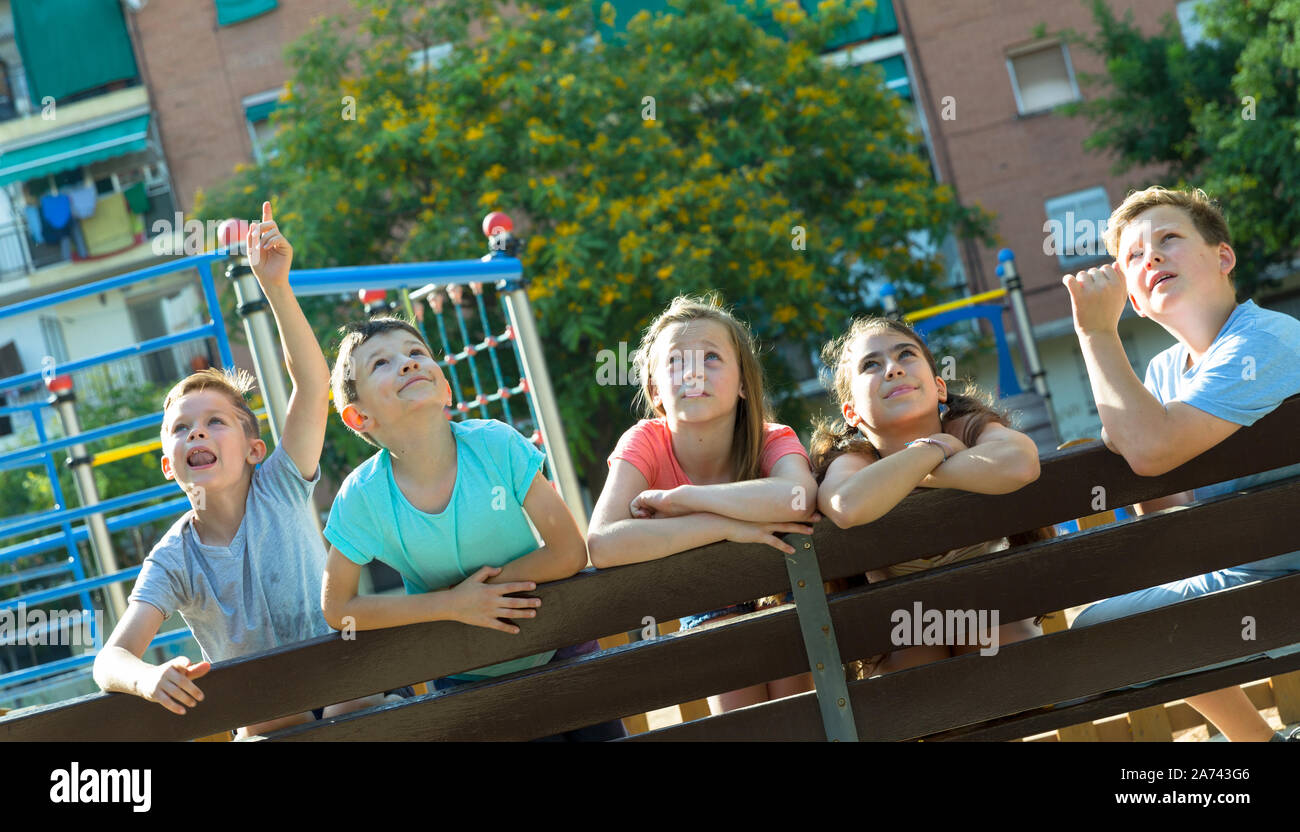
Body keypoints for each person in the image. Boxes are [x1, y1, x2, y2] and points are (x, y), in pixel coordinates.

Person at [94, 202, 382, 738]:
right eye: (182, 430)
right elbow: (110, 660)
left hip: (342, 683)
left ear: (254, 449)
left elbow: (313, 386)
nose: (196, 434)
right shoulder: (175, 559)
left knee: (354, 700)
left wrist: (275, 286)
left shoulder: (281, 484)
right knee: (269, 718)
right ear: (168, 465)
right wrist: (146, 676)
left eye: (214, 423)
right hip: (271, 714)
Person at [1062, 185, 1300, 742]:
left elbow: (1149, 450)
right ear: (1136, 300)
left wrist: (1095, 332)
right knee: (1100, 628)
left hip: (1281, 582)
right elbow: (1167, 515)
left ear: (1223, 257)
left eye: (1169, 239)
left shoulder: (1265, 341)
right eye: (1135, 257)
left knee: (1112, 629)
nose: (1153, 258)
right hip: (1251, 578)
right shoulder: (1165, 374)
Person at [320, 317, 620, 740]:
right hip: (464, 676)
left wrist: (478, 596)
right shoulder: (362, 497)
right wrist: (452, 604)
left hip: (558, 648)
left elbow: (569, 551)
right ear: (358, 417)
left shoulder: (497, 444)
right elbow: (338, 607)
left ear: (445, 387)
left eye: (416, 352)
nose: (407, 363)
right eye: (381, 363)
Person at [586, 293, 817, 714]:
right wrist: (722, 525)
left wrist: (689, 499)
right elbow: (602, 542)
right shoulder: (645, 442)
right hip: (712, 610)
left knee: (790, 674)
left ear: (744, 383)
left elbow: (797, 499)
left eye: (711, 358)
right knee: (730, 675)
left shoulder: (772, 438)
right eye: (676, 361)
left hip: (785, 597)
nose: (693, 371)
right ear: (656, 392)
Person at [811, 316, 1044, 676]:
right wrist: (933, 449)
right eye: (871, 365)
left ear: (938, 388)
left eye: (905, 355)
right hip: (908, 631)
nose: (893, 370)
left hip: (990, 621)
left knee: (988, 633)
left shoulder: (965, 427)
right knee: (918, 657)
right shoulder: (855, 458)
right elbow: (846, 505)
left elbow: (1021, 463)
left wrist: (920, 465)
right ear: (851, 413)